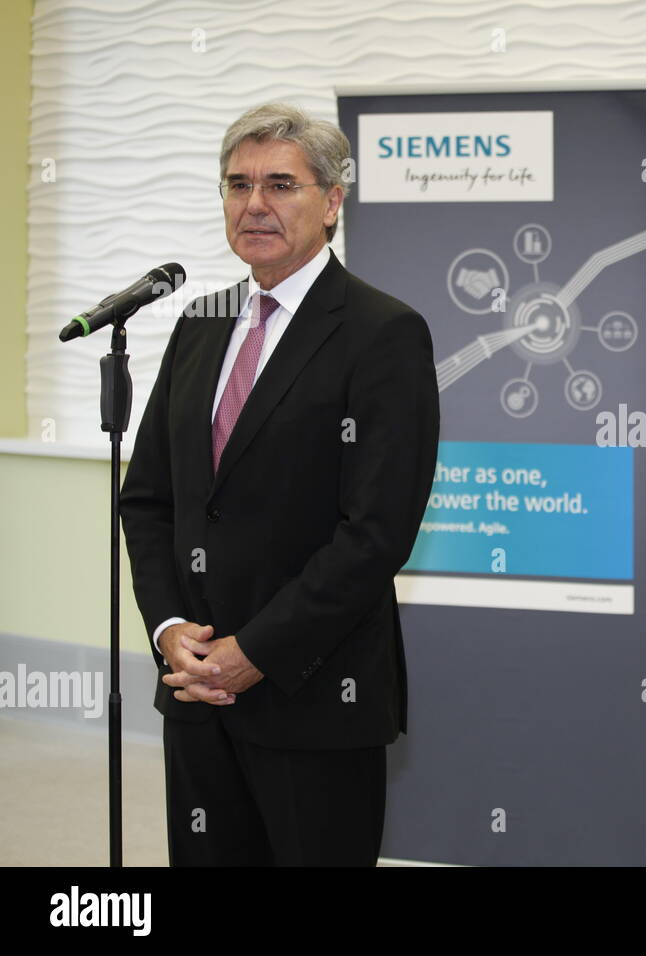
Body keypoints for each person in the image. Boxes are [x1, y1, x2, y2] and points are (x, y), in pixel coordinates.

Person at [120, 102, 439, 866]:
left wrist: (254, 651)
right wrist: (171, 632)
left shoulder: (382, 332)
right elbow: (148, 499)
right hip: (197, 692)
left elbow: (376, 533)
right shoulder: (200, 324)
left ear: (332, 202)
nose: (254, 203)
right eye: (237, 184)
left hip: (314, 693)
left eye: (280, 184)